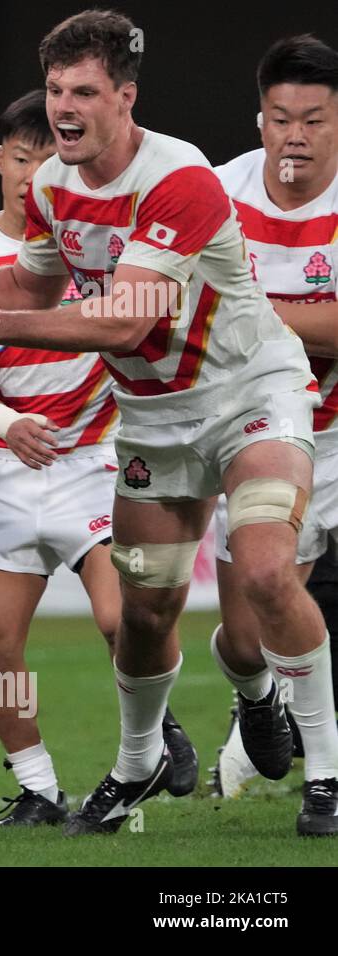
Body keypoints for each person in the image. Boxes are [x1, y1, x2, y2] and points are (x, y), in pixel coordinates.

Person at [0, 10, 338, 836]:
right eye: (56, 90)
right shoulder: (51, 188)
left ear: (125, 97)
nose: (64, 108)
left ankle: (328, 777)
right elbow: (31, 290)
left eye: (85, 92)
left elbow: (121, 323)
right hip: (154, 420)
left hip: (253, 394)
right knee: (143, 617)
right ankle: (137, 766)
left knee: (269, 569)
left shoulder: (181, 177)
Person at [0, 89, 196, 827]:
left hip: (95, 456)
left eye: (48, 165)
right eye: (22, 161)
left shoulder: (97, 242)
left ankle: (157, 737)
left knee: (122, 615)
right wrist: (1, 422)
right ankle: (36, 788)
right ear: (0, 160)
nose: (34, 181)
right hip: (4, 469)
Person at [209, 35, 338, 800]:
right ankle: (254, 707)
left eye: (316, 120)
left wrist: (250, 312)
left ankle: (325, 775)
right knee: (252, 629)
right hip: (255, 435)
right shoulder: (217, 196)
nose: (297, 134)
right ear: (260, 120)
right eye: (283, 117)